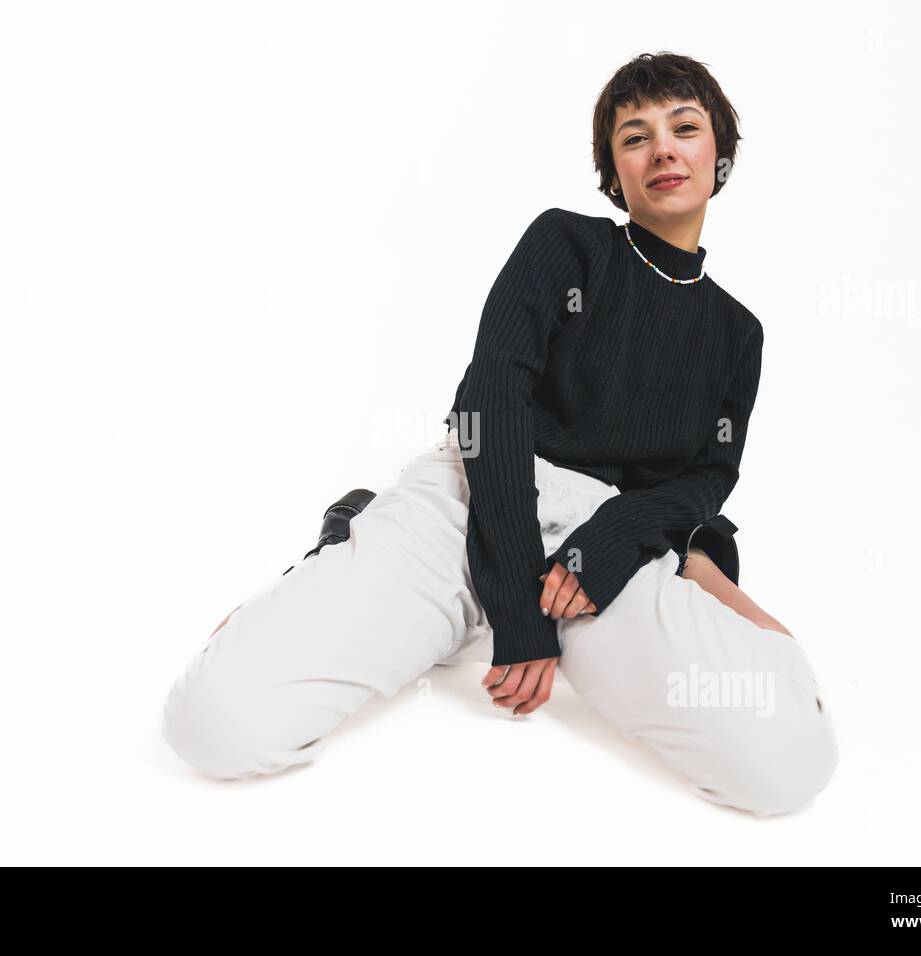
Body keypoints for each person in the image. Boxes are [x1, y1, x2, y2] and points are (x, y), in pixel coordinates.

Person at [161, 51, 839, 816]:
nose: (663, 150)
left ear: (720, 156)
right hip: (476, 492)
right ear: (614, 174)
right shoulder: (566, 245)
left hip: (597, 552)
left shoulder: (737, 333)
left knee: (788, 764)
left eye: (684, 128)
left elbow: (708, 478)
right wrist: (518, 609)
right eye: (633, 137)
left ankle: (433, 596)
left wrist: (615, 539)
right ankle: (353, 537)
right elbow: (489, 404)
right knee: (214, 725)